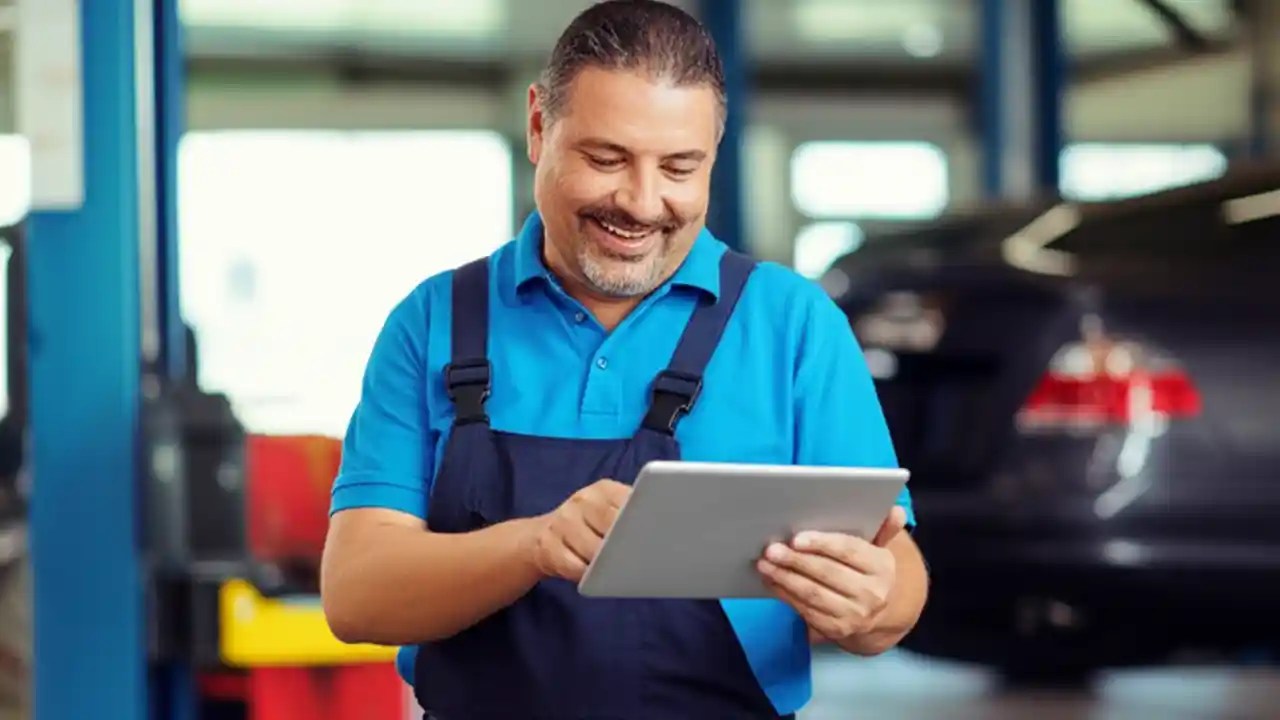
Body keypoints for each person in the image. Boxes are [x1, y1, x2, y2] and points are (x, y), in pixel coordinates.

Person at [320, 1, 929, 717]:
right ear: (539, 125)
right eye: (607, 159)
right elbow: (357, 594)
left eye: (679, 167)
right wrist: (534, 545)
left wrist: (873, 601)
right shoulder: (435, 322)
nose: (642, 203)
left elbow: (899, 569)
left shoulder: (792, 325)